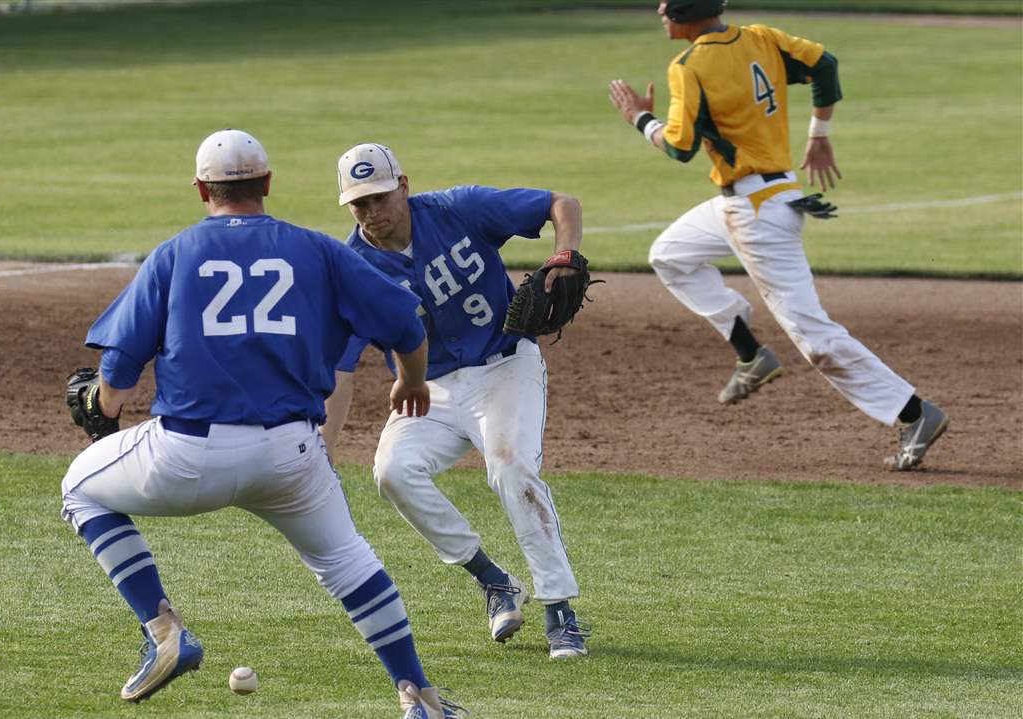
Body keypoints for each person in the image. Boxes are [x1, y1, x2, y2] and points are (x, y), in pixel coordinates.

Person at [59, 129, 464, 719]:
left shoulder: (174, 254)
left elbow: (116, 388)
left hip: (188, 456)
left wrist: (99, 403)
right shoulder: (318, 250)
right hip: (292, 454)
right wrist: (412, 380)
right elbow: (407, 324)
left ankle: (165, 630)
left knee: (79, 486)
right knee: (349, 564)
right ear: (267, 183)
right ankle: (419, 697)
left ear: (202, 190)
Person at [608, 0, 948, 470]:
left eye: (666, 7)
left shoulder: (688, 65)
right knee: (670, 255)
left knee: (813, 336)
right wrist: (819, 132)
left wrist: (639, 119)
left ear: (687, 13)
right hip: (754, 199)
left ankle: (915, 413)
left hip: (756, 214)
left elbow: (681, 148)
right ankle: (751, 355)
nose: (660, 13)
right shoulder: (761, 38)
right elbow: (824, 64)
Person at [322, 143, 590, 660]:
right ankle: (494, 581)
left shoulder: (458, 208)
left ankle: (560, 609)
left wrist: (564, 255)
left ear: (404, 185)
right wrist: (324, 453)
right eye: (359, 204)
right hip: (429, 390)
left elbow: (562, 204)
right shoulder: (353, 269)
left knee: (510, 466)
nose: (372, 212)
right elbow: (340, 369)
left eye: (380, 197)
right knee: (393, 472)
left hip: (505, 366)